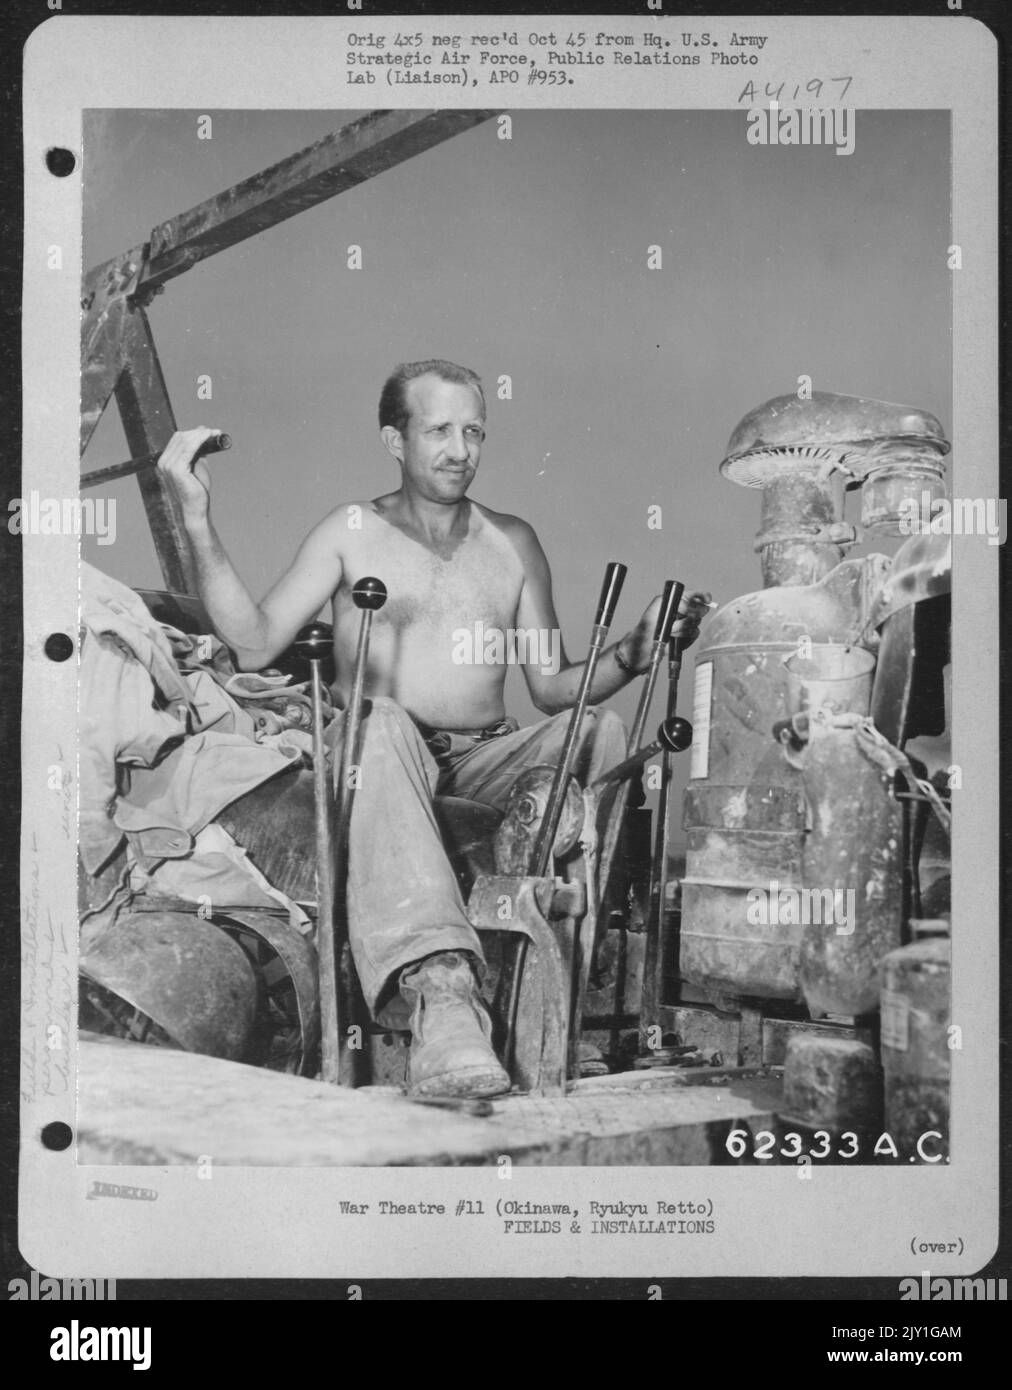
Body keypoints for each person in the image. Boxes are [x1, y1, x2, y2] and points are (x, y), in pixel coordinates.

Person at [158, 360, 707, 1098]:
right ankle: (443, 997)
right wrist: (195, 515)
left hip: (484, 755)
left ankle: (559, 1000)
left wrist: (633, 653)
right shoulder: (351, 530)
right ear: (395, 437)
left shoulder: (512, 541)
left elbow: (552, 690)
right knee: (379, 718)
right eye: (439, 430)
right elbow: (253, 641)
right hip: (380, 753)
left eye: (474, 430)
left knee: (600, 735)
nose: (460, 449)